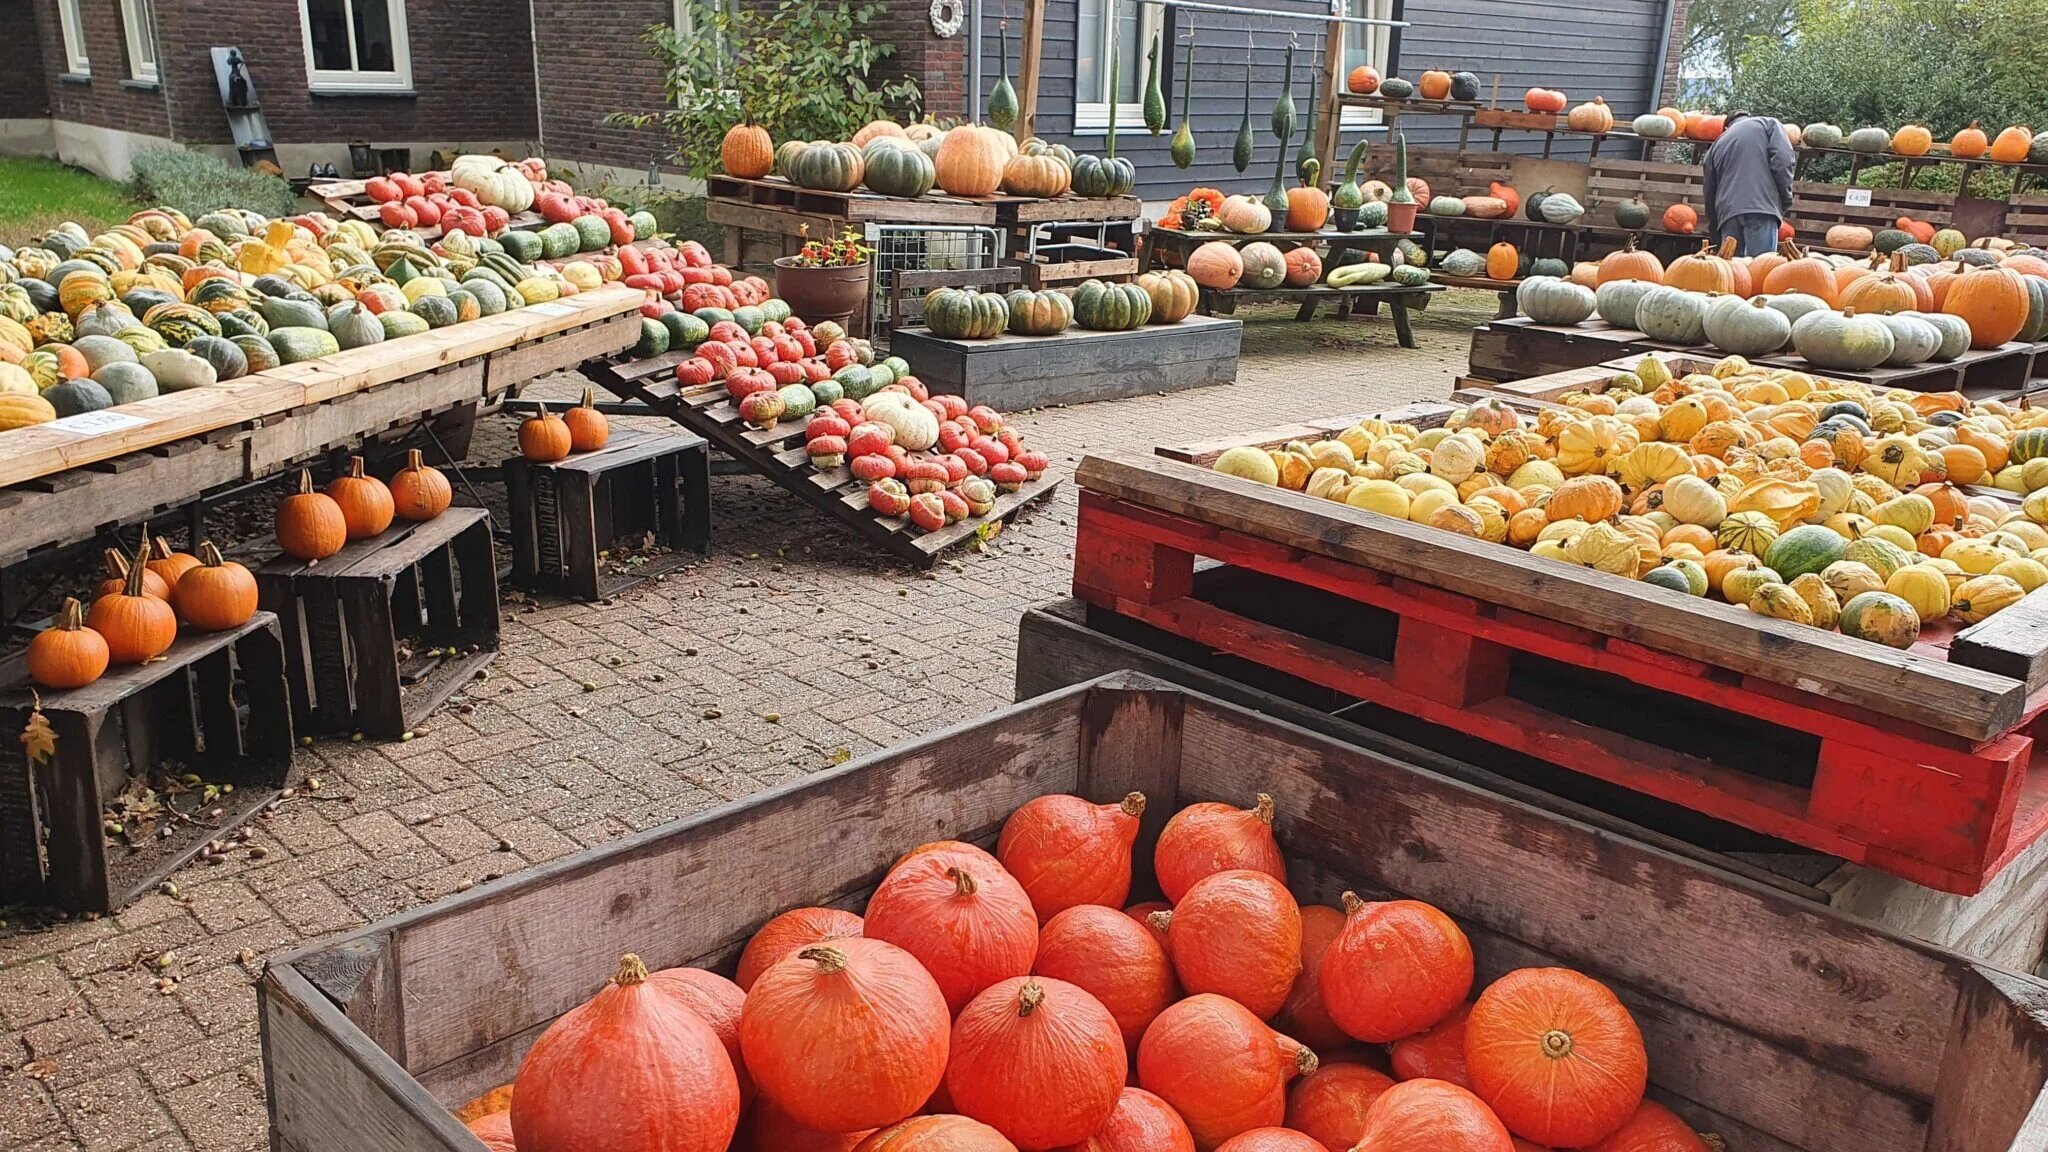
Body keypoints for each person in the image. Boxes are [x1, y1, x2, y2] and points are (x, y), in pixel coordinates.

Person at [1701, 111, 1794, 257]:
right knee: (1761, 267)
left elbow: (1709, 192)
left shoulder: (1717, 144)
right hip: (1762, 209)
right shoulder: (1769, 124)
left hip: (1728, 215)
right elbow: (1783, 160)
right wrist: (1784, 198)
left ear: (1726, 128)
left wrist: (1716, 234)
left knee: (1733, 273)